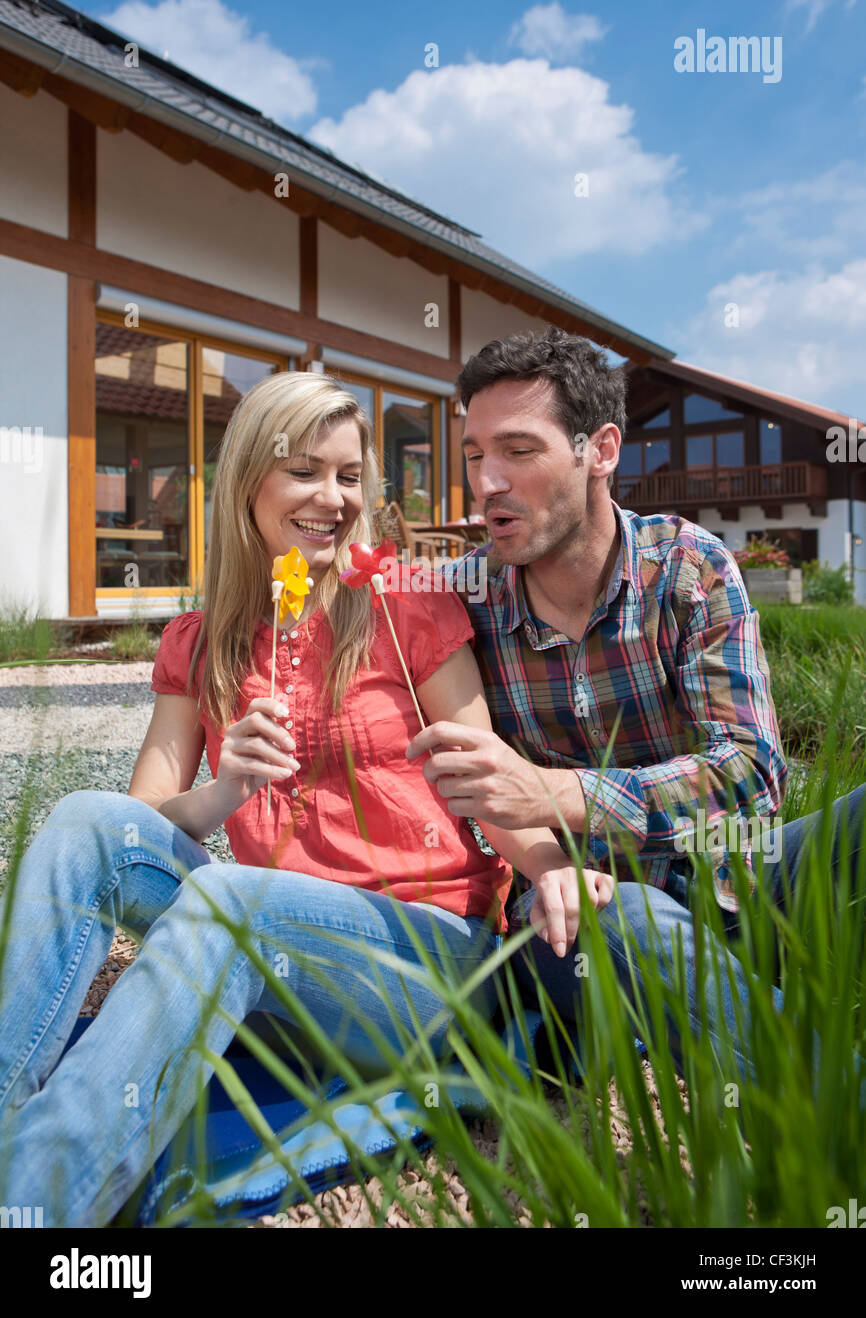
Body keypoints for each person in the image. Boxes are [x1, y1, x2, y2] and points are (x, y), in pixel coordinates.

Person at [0, 370, 613, 1228]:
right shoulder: (204, 640)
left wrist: (552, 865)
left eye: (350, 476)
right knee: (82, 822)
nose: (334, 498)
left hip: (424, 964)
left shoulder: (406, 610)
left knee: (228, 901)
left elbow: (491, 782)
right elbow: (143, 824)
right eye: (305, 471)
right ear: (249, 479)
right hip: (273, 943)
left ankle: (33, 1206)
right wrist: (227, 789)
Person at [408, 325, 866, 1082]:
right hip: (578, 920)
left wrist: (557, 791)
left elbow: (753, 775)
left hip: (732, 882)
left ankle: (729, 999)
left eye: (519, 451)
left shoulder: (687, 567)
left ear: (602, 451)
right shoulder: (460, 602)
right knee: (622, 919)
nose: (487, 481)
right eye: (474, 456)